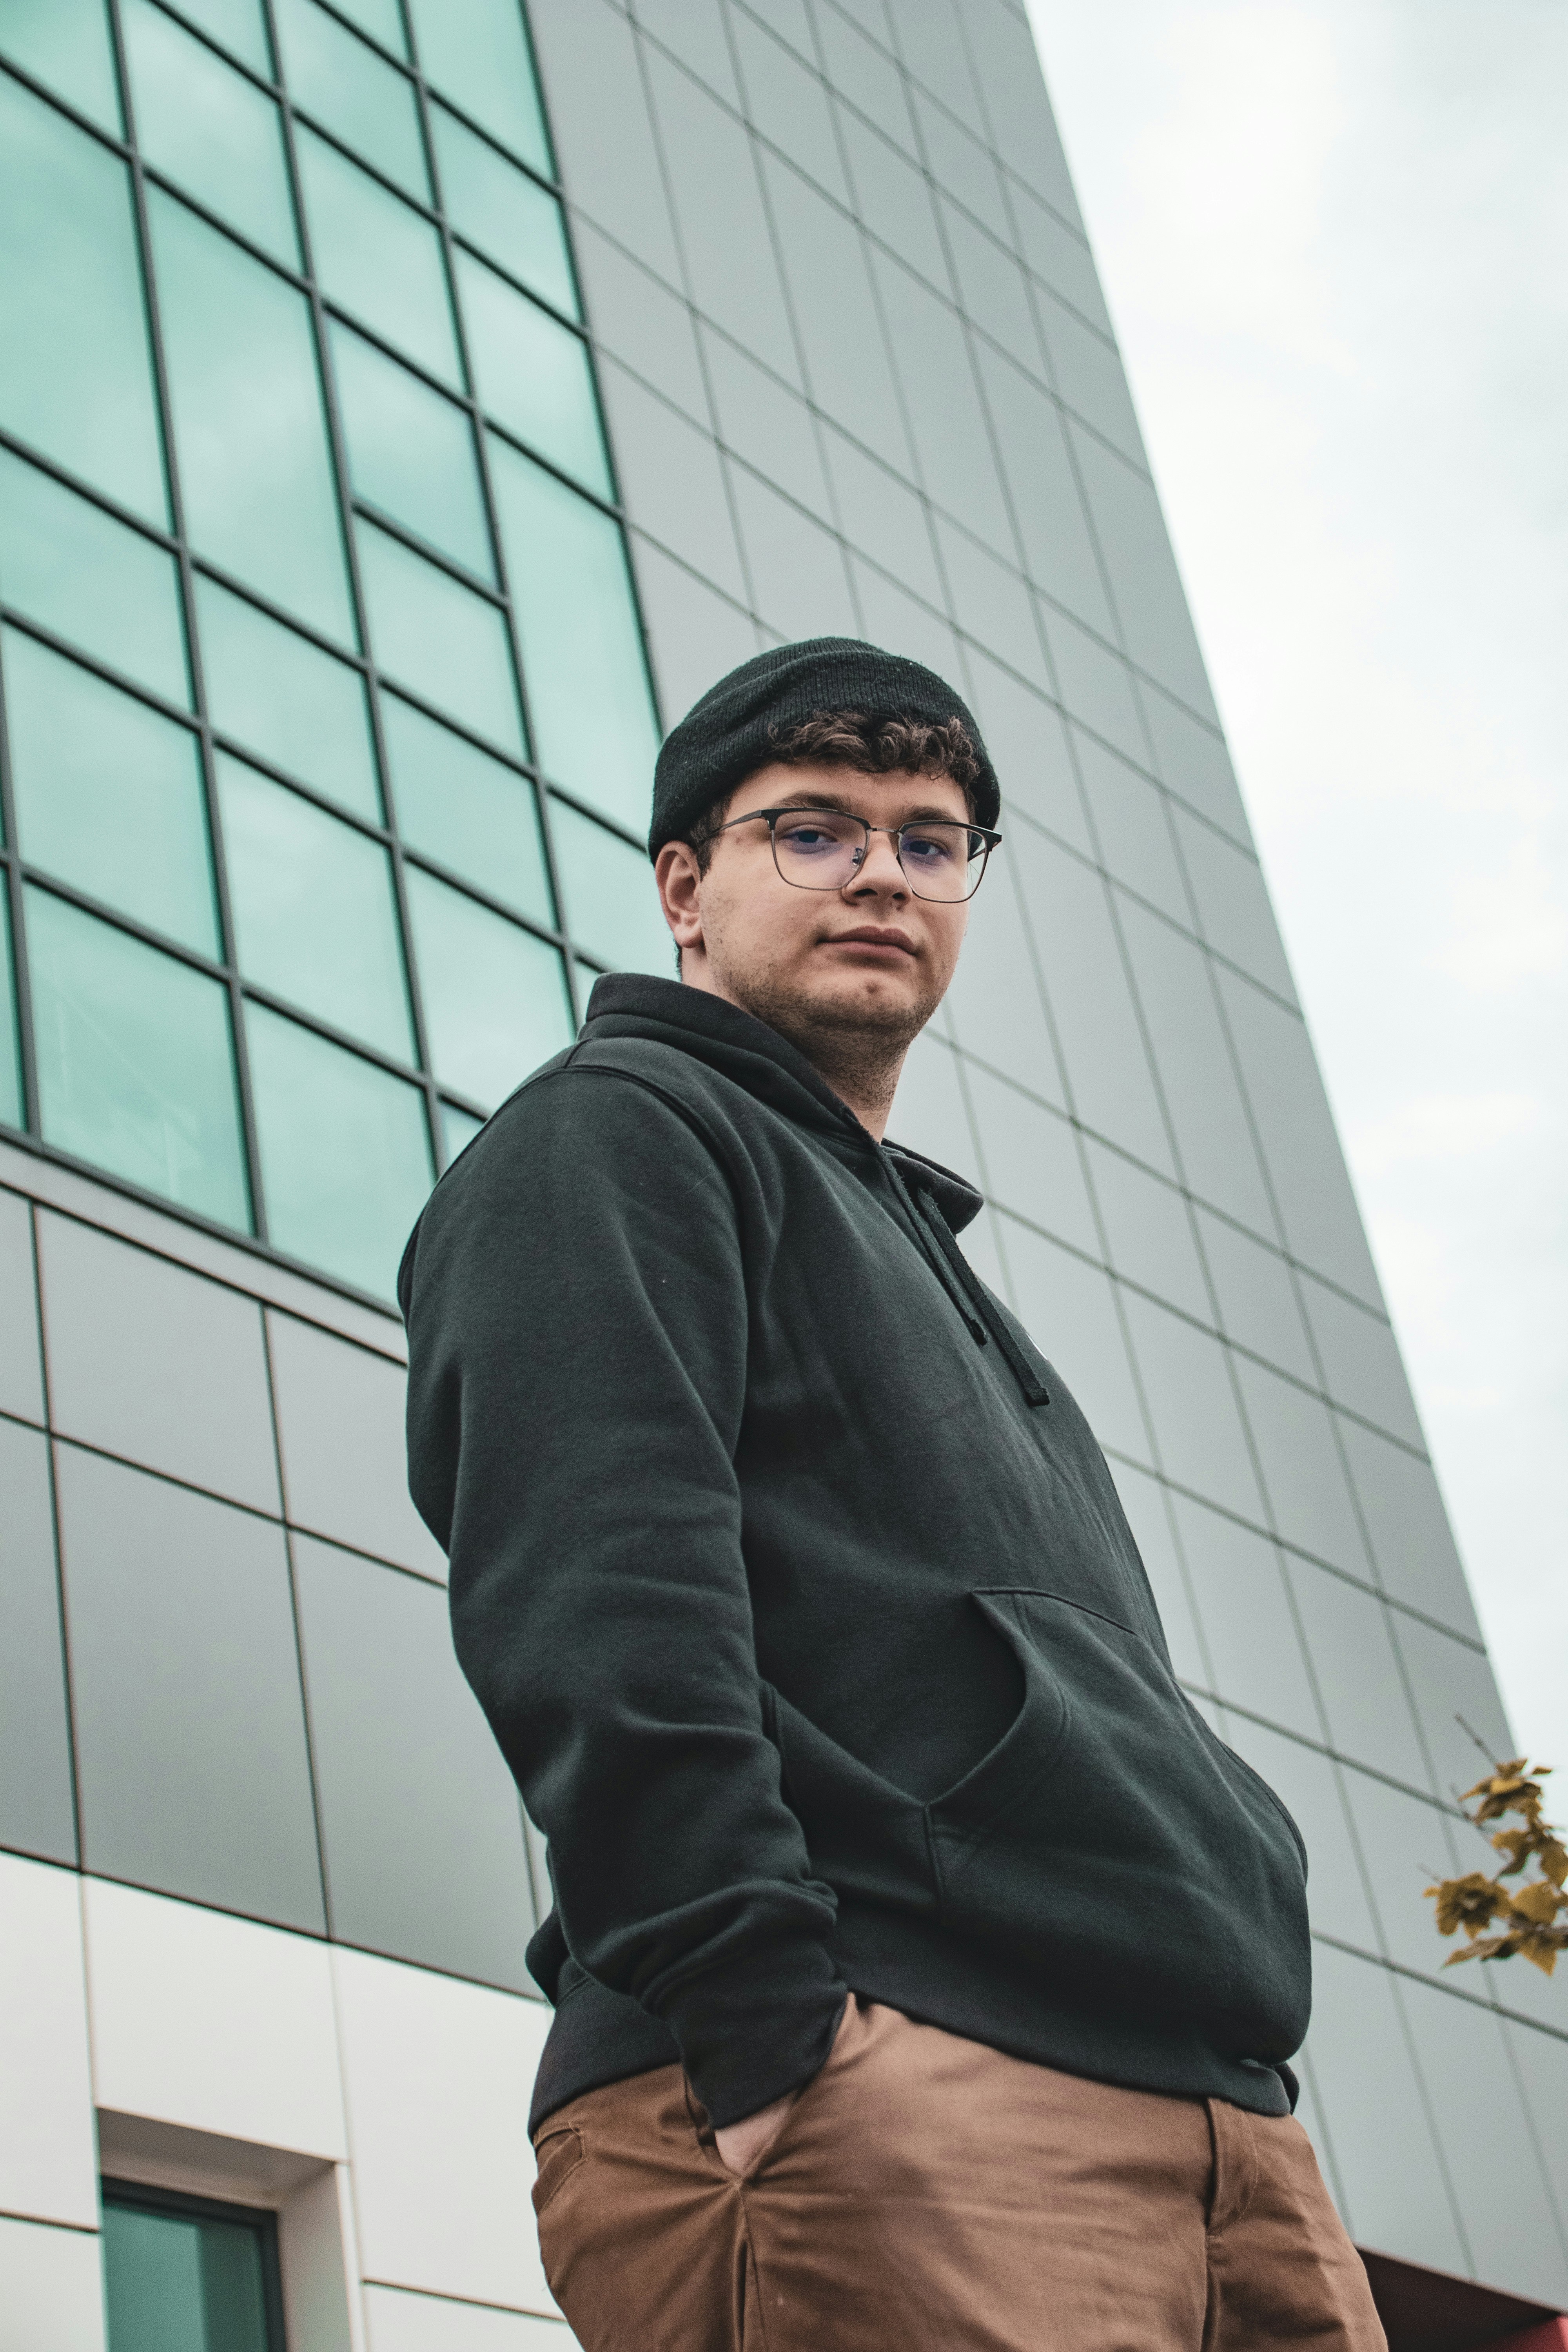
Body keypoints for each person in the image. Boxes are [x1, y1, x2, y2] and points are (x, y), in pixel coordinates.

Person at [400, 639, 1384, 2351]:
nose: (879, 873)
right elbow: (599, 1610)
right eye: (815, 828)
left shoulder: (916, 1246)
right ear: (685, 889)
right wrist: (762, 2023)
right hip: (895, 2090)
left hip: (1210, 2117)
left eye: (930, 842)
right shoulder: (614, 1140)